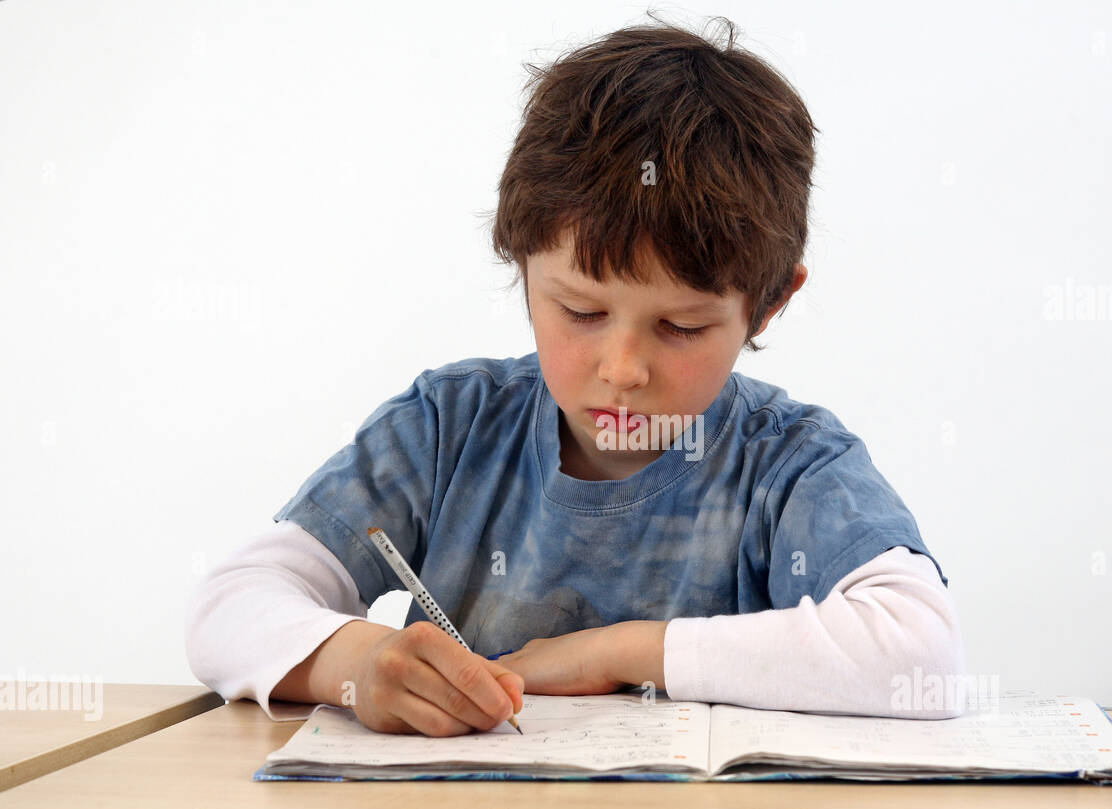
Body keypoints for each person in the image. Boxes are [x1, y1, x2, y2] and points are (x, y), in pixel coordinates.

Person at [185, 15, 965, 738]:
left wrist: (613, 653)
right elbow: (231, 604)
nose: (622, 371)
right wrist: (353, 664)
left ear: (767, 305)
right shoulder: (447, 430)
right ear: (522, 265)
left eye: (682, 327)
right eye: (581, 312)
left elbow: (921, 653)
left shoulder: (790, 465)